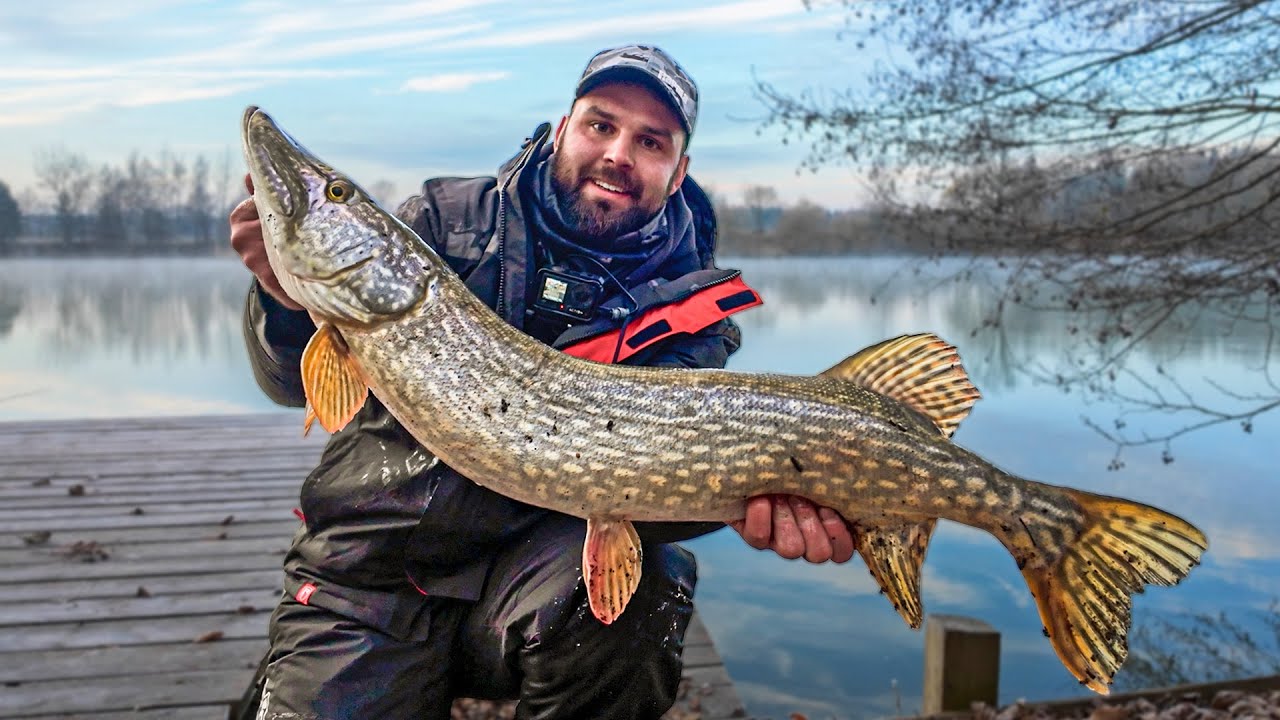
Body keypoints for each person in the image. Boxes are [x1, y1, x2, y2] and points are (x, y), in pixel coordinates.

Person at [230, 44, 855, 720]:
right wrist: (285, 300)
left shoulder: (691, 317)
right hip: (369, 580)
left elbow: (661, 483)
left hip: (539, 584)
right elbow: (288, 384)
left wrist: (757, 502)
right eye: (600, 124)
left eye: (651, 141)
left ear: (679, 174)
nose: (619, 152)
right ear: (563, 128)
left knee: (648, 594)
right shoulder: (441, 224)